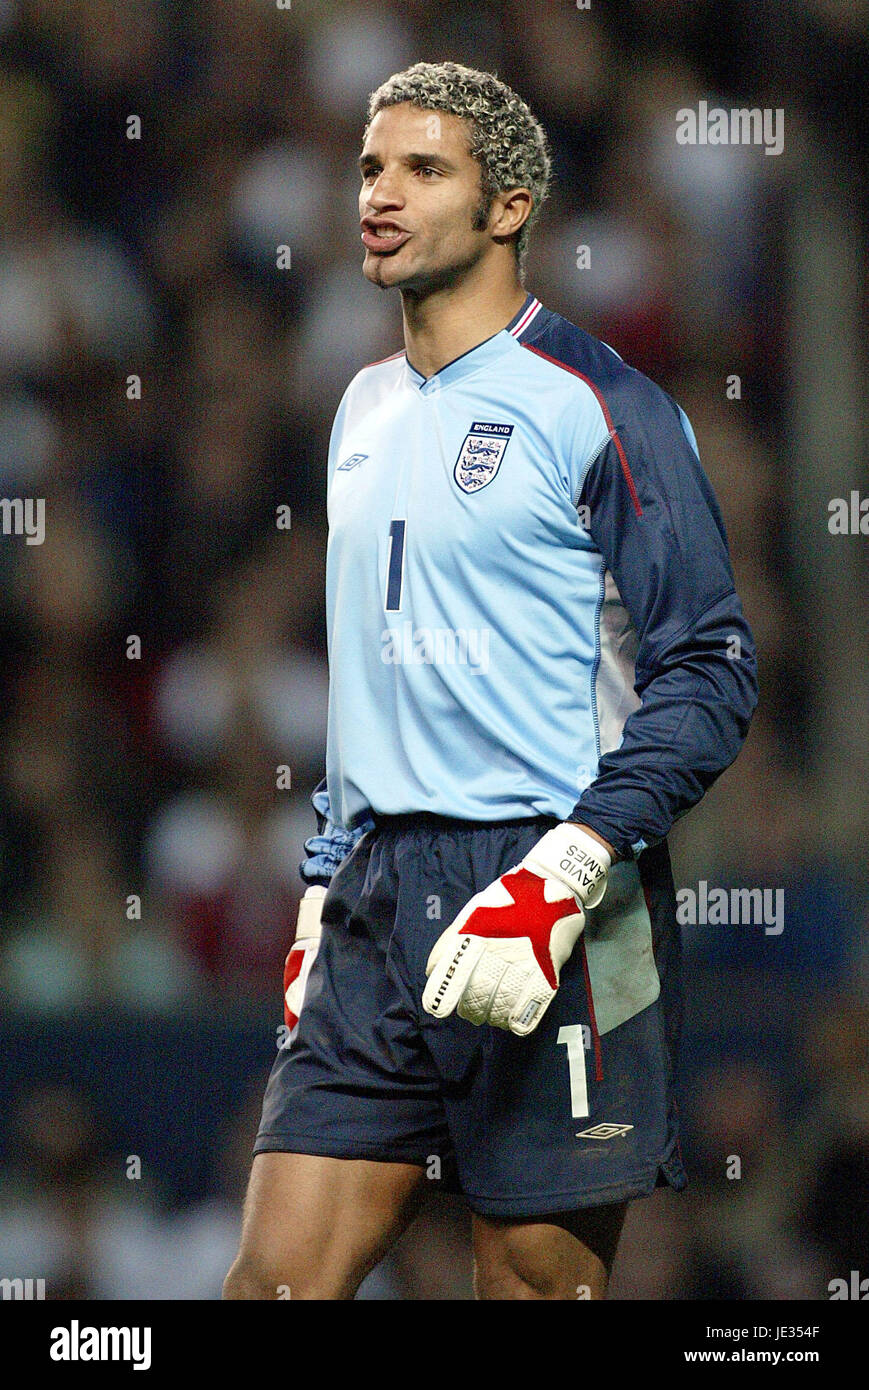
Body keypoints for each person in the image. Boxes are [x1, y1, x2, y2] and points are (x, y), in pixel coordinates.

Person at [223, 60, 758, 1302]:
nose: (379, 194)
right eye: (368, 167)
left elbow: (713, 665)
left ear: (508, 205)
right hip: (371, 898)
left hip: (558, 890)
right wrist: (318, 887)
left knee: (528, 1292)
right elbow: (371, 676)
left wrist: (568, 870)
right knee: (270, 1283)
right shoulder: (354, 408)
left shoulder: (600, 403)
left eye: (422, 169)